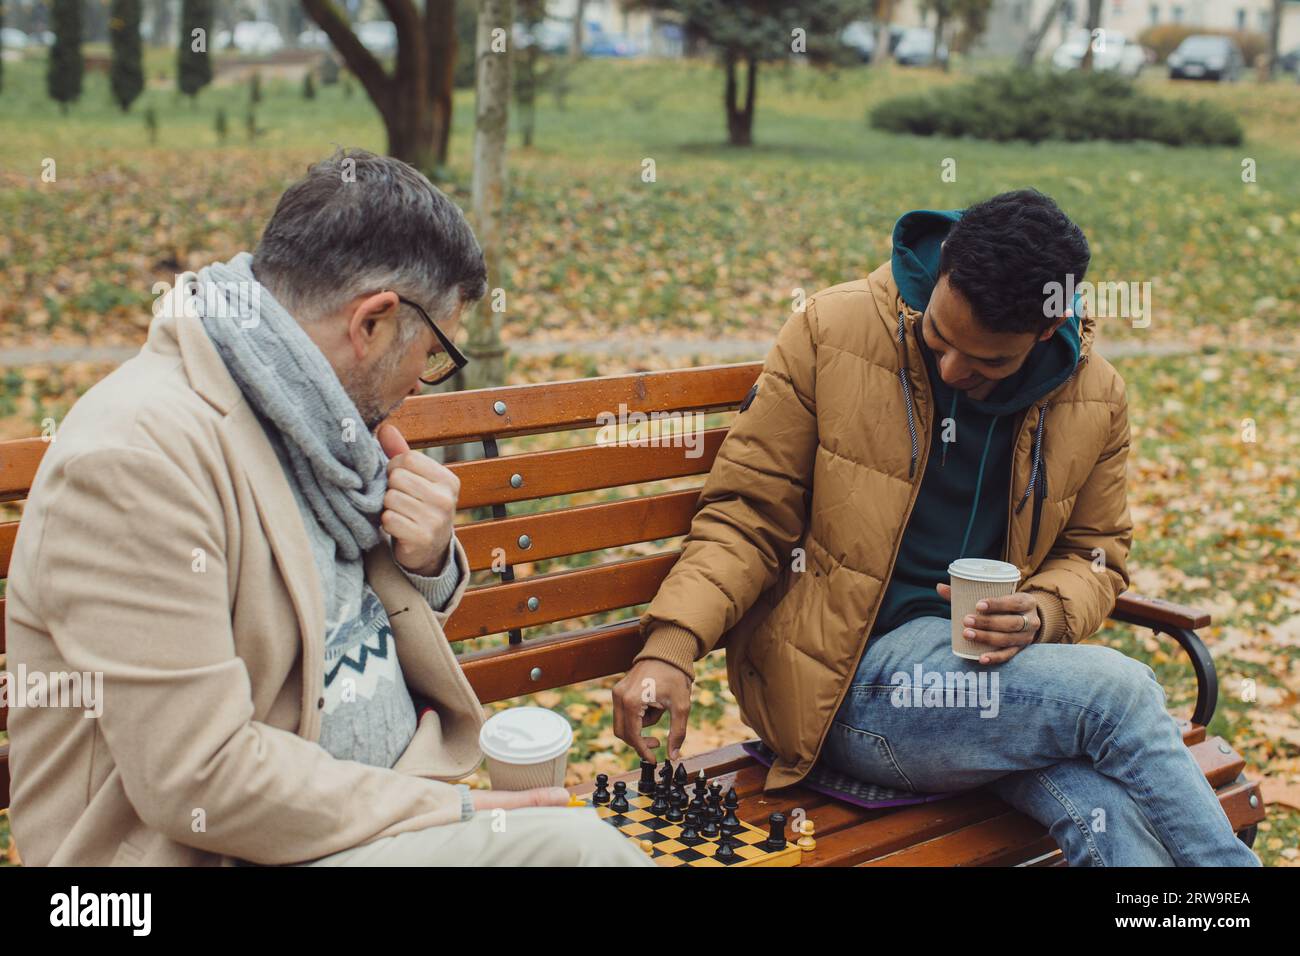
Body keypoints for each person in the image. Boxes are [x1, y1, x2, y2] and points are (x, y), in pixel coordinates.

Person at [6, 148, 652, 867]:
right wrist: (452, 808)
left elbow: (332, 634)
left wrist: (429, 560)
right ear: (372, 322)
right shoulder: (136, 461)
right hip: (232, 855)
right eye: (434, 352)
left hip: (386, 802)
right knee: (579, 854)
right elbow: (200, 777)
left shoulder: (310, 407)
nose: (425, 382)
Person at [613, 190, 1259, 866]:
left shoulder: (1094, 395)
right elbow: (748, 516)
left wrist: (1040, 612)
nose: (953, 369)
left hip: (992, 693)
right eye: (938, 338)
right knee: (1120, 692)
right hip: (843, 693)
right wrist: (670, 646)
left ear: (1046, 327)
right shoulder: (831, 331)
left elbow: (1094, 555)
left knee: (1110, 816)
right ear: (943, 270)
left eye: (987, 362)